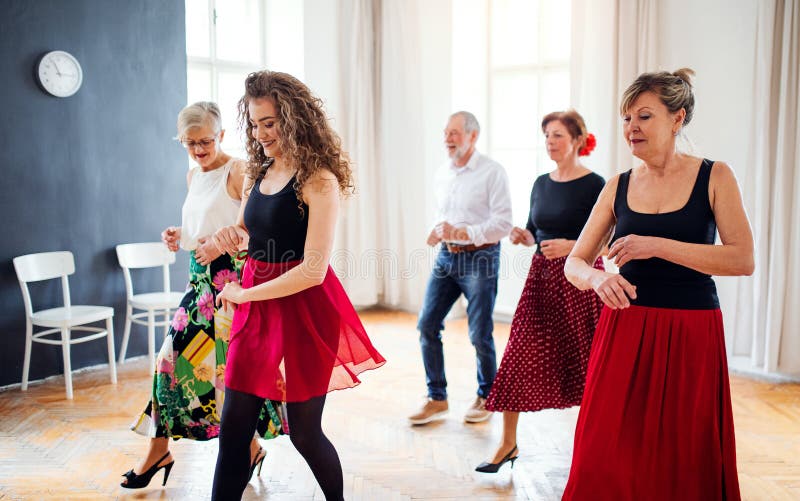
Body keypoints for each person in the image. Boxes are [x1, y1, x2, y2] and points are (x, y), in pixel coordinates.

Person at [562, 69, 752, 499]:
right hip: (624, 332)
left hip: (691, 333)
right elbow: (574, 262)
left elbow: (742, 259)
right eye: (626, 118)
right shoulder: (618, 185)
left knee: (684, 454)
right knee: (603, 450)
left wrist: (658, 245)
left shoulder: (715, 176)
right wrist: (595, 278)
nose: (631, 128)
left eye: (644, 116)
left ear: (677, 118)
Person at [209, 71, 385, 501]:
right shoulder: (258, 173)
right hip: (257, 303)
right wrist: (231, 237)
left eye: (270, 122)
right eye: (254, 123)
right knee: (233, 433)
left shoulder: (319, 180)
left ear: (294, 119)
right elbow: (247, 232)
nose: (260, 132)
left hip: (306, 306)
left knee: (304, 434)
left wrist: (244, 295)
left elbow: (313, 270)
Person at [121, 102, 283, 489]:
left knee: (230, 377)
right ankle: (160, 450)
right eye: (189, 143)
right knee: (171, 368)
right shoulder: (194, 175)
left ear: (221, 135)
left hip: (230, 287)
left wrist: (218, 245)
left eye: (205, 141)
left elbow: (252, 231)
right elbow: (203, 225)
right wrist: (181, 236)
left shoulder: (239, 170)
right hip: (198, 286)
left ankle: (247, 448)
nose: (198, 150)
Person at [475, 110, 605, 473]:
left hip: (581, 282)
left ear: (578, 140)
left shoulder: (595, 185)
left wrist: (571, 247)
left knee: (587, 365)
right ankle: (507, 444)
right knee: (517, 355)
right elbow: (536, 231)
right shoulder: (540, 182)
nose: (550, 141)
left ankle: (593, 450)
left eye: (558, 135)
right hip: (542, 281)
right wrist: (524, 236)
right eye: (547, 135)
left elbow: (608, 240)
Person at [408, 111, 513, 426]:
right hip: (446, 257)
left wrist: (465, 233)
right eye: (446, 133)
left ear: (472, 136)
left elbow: (504, 223)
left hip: (480, 259)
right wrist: (438, 229)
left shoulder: (492, 172)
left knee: (479, 332)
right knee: (427, 325)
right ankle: (437, 397)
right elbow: (445, 214)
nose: (448, 138)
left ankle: (488, 394)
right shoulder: (443, 173)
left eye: (454, 133)